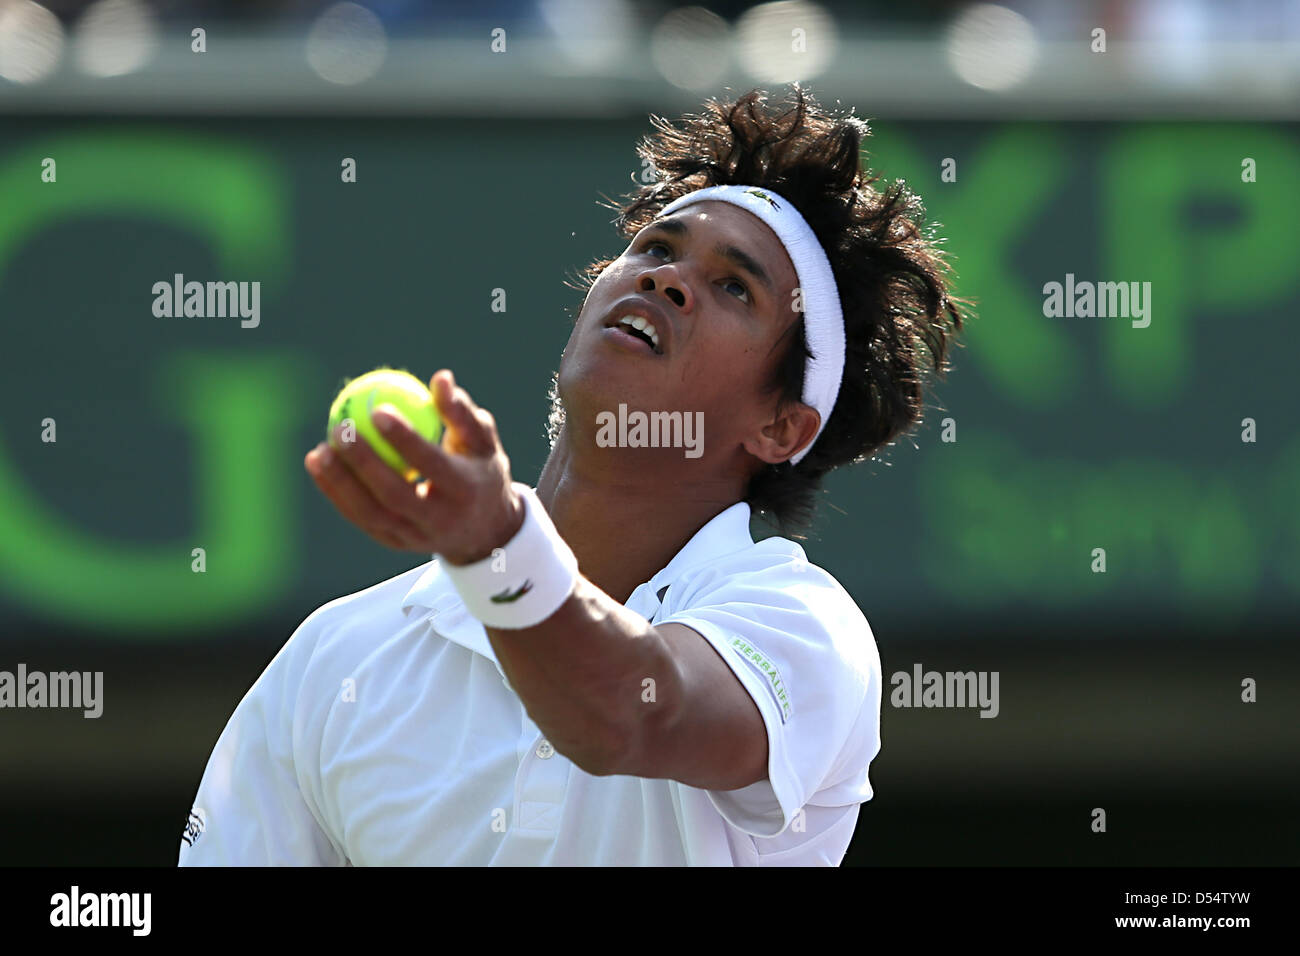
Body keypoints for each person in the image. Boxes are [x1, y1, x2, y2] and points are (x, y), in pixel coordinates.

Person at [178, 84, 966, 866]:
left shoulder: (803, 627)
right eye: (656, 248)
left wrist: (496, 545)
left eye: (735, 286)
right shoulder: (337, 658)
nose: (665, 278)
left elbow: (629, 714)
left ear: (780, 425)